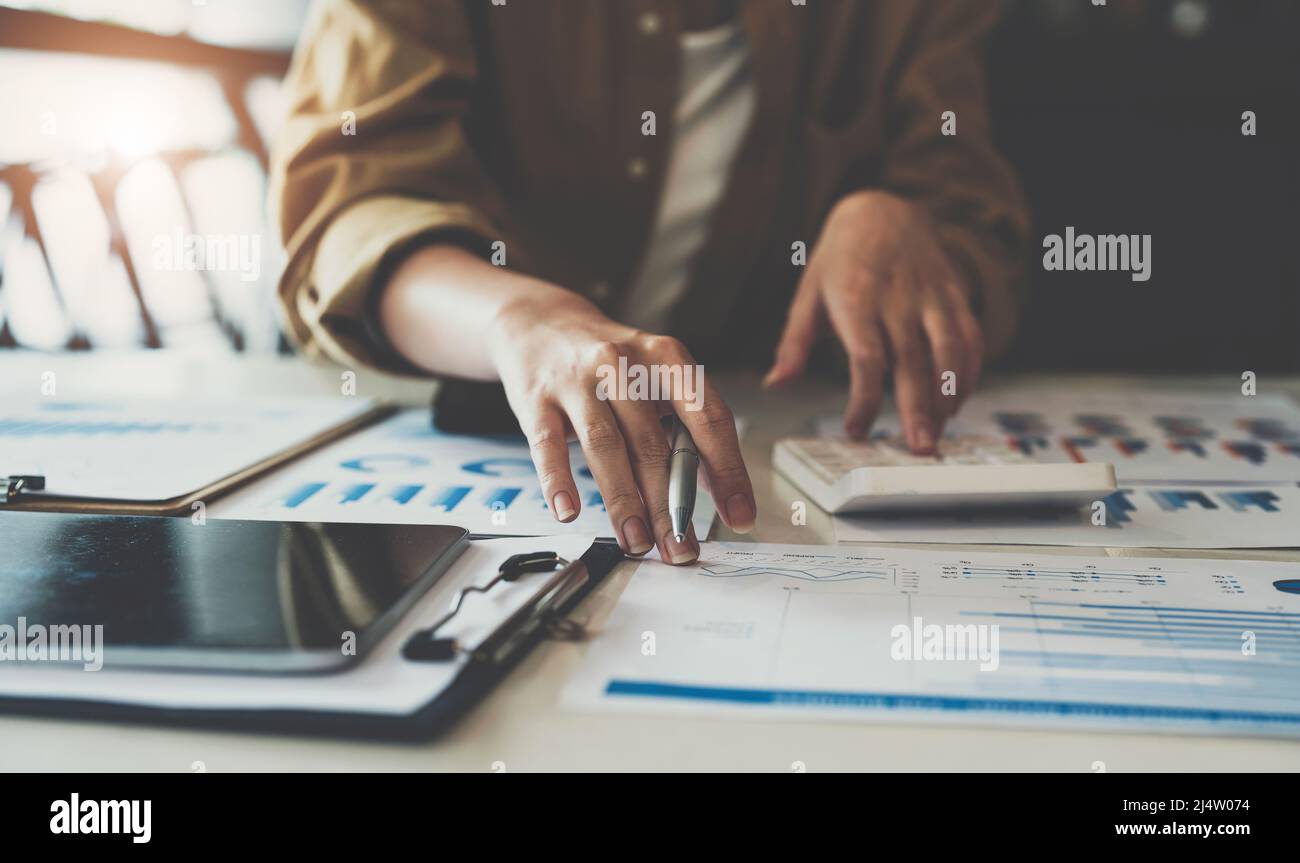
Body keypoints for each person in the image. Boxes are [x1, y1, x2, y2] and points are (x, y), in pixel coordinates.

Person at [270, 0, 1029, 564]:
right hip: (425, 421)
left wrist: (900, 221)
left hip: (770, 442)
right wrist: (519, 317)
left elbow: (975, 224)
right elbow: (343, 214)